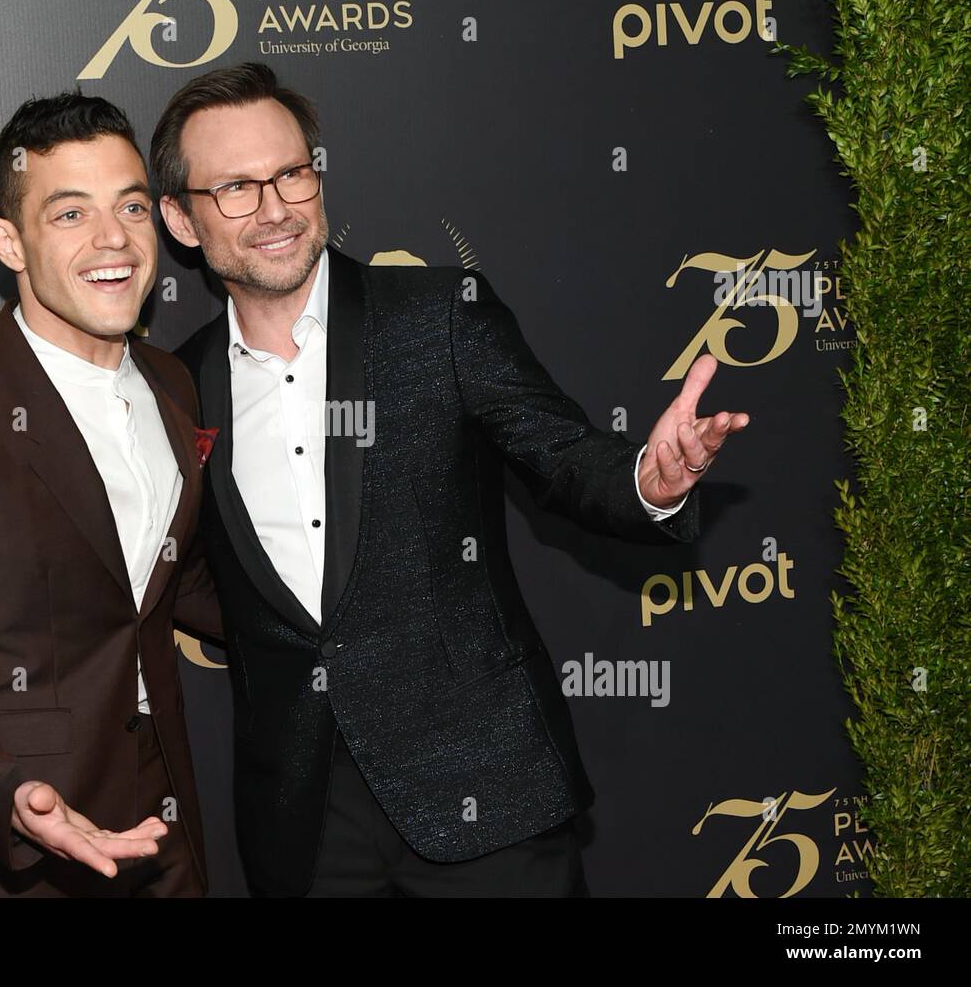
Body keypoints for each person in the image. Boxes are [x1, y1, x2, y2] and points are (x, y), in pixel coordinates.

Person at [154, 62, 749, 897]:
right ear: (181, 218)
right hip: (304, 820)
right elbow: (187, 577)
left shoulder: (436, 316)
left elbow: (567, 458)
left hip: (487, 793)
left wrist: (651, 477)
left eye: (291, 172)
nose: (276, 207)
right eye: (237, 189)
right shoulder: (176, 389)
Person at [0, 91, 221, 897]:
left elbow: (173, 583)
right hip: (11, 851)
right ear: (10, 242)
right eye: (69, 215)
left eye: (131, 206)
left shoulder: (171, 384)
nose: (113, 239)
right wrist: (11, 800)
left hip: (163, 829)